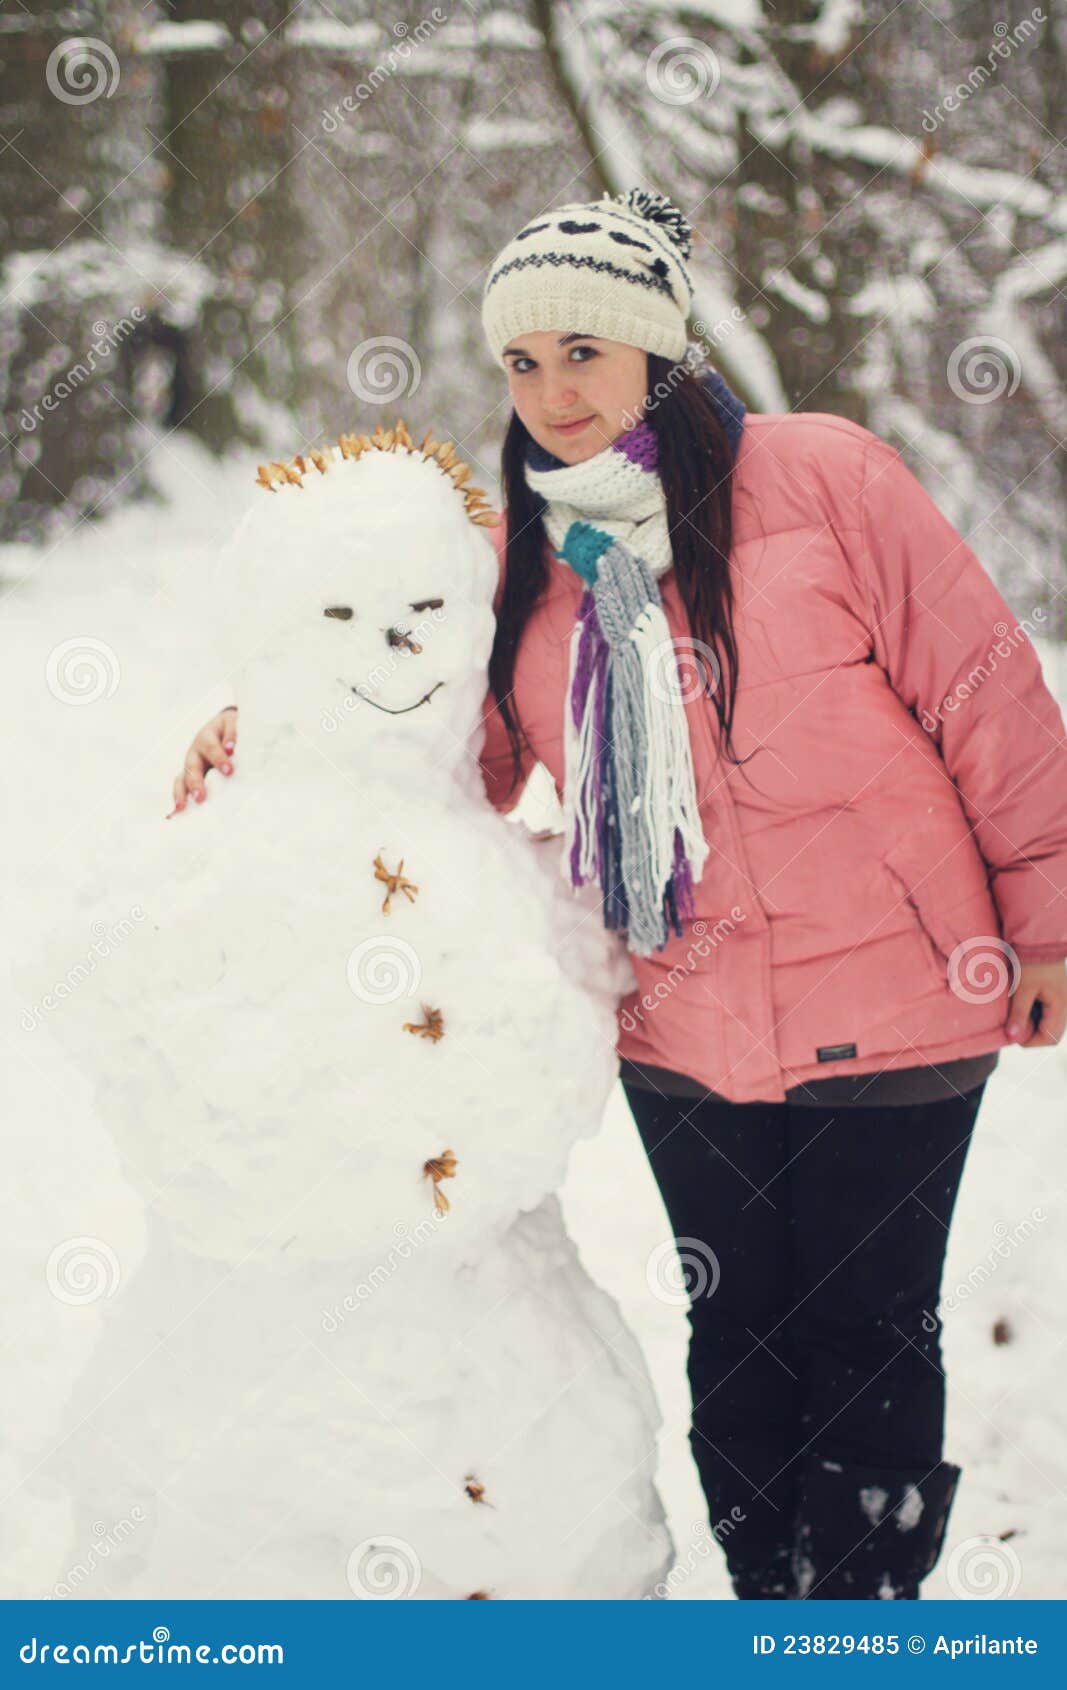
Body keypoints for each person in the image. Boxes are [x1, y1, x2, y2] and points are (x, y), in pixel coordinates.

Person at [170, 187, 1067, 1601]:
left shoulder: (823, 476)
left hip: (900, 994)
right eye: (522, 364)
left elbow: (985, 693)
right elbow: (446, 751)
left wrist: (1048, 922)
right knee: (740, 1337)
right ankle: (770, 1605)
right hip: (683, 1024)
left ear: (657, 344)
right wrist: (272, 731)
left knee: (870, 1328)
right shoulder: (529, 559)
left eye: (581, 350)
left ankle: (867, 1624)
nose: (551, 392)